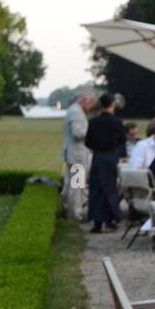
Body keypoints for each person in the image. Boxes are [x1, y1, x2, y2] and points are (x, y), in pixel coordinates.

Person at [84, 92, 127, 231]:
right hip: (111, 157)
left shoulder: (93, 122)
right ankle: (110, 219)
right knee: (110, 189)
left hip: (98, 156)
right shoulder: (116, 121)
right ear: (112, 104)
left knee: (96, 189)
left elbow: (87, 141)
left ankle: (97, 222)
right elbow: (123, 140)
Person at [60, 88, 96, 221]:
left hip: (75, 153)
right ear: (84, 99)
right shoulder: (76, 112)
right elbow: (77, 133)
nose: (91, 106)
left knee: (73, 184)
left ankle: (71, 211)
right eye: (91, 102)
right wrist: (92, 131)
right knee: (77, 185)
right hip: (77, 154)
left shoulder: (75, 110)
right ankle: (75, 214)